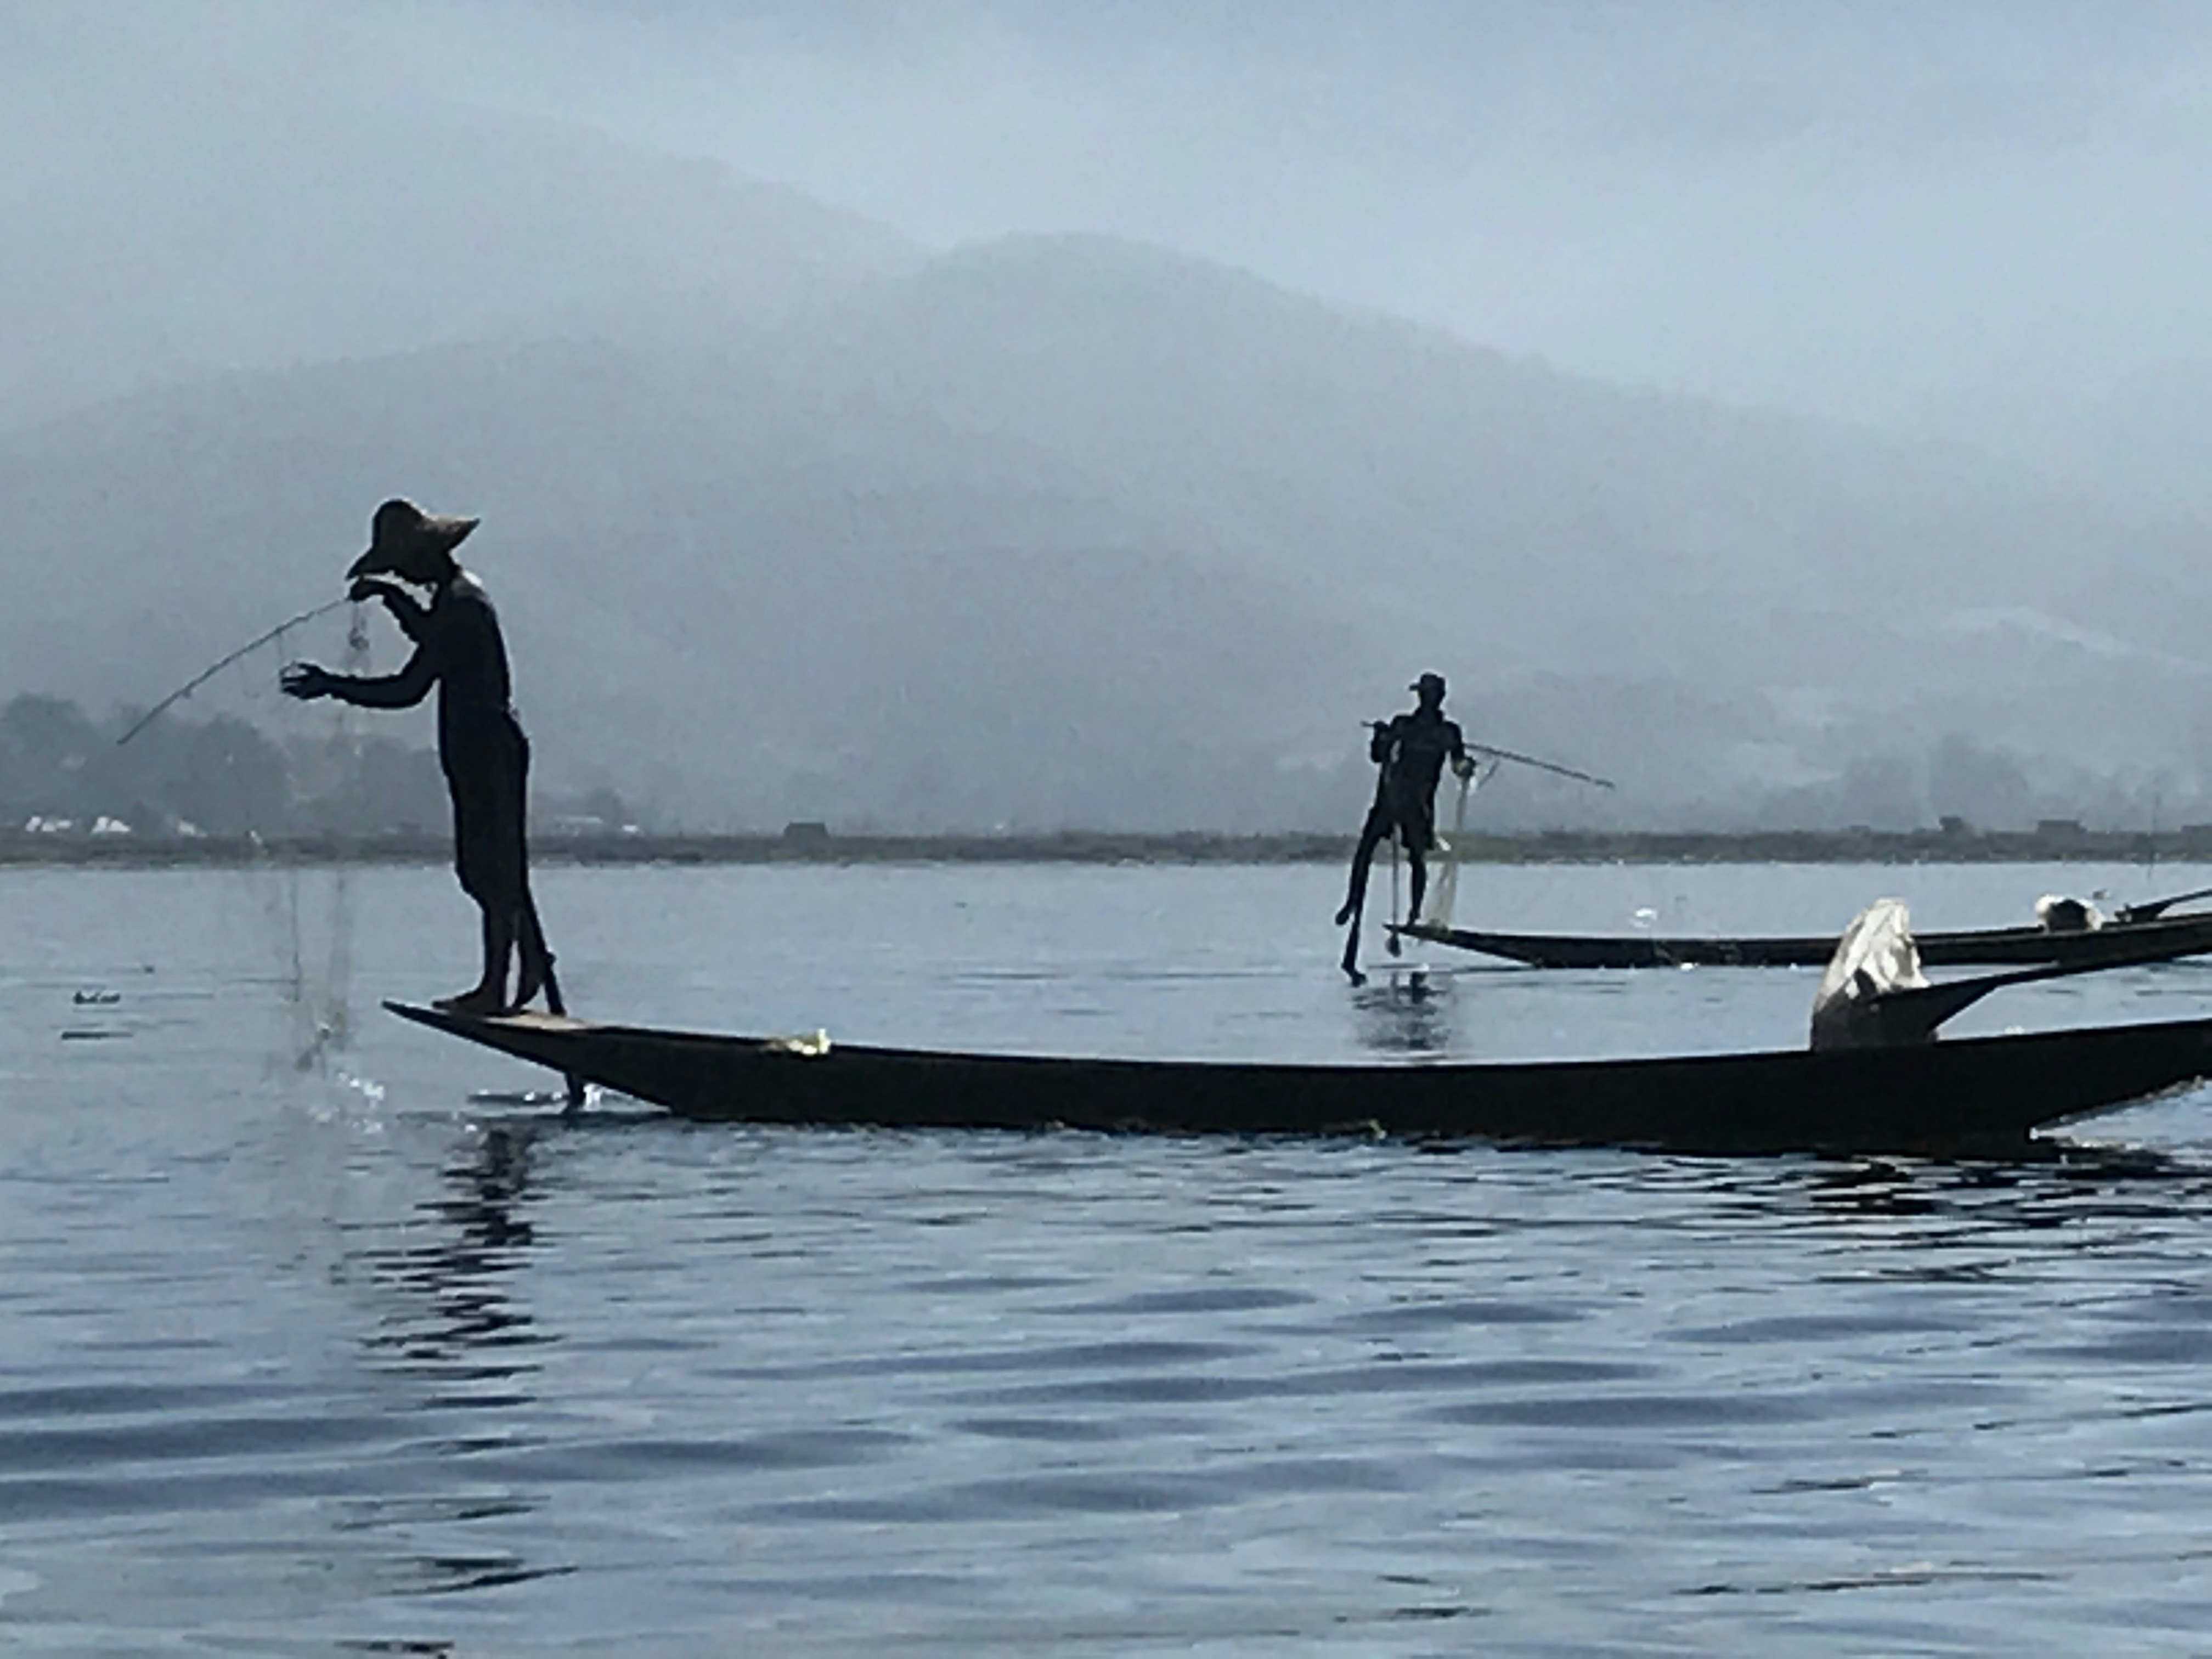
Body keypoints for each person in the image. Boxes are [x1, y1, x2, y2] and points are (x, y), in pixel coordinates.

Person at [281, 498, 554, 1015]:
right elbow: (428, 637)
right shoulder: (451, 600)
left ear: (428, 554)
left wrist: (332, 686)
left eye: (402, 566)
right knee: (496, 868)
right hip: (474, 745)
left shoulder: (463, 605)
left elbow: (409, 687)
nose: (402, 573)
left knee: (491, 871)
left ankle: (497, 986)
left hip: (487, 746)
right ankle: (532, 960)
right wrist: (389, 598)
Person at [1335, 672, 1474, 973]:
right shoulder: (1403, 725)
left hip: (1418, 805)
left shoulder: (1448, 733)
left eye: (1431, 694)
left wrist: (1466, 767)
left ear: (1439, 697)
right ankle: (1352, 901)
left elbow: (1457, 764)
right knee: (1365, 849)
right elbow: (1378, 756)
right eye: (1423, 694)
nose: (1426, 699)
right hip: (1390, 799)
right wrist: (1380, 738)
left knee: (1417, 858)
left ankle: (1413, 913)